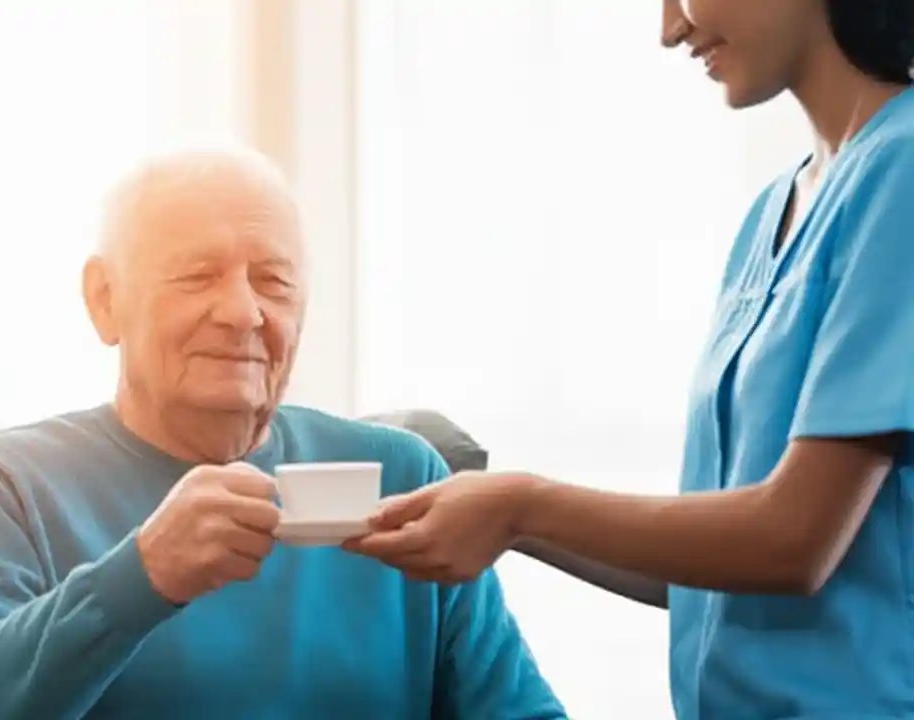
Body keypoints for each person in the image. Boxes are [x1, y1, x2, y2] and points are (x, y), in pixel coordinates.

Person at [348, 1, 914, 718]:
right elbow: (713, 572)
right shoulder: (775, 210)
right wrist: (490, 512)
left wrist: (524, 506)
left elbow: (793, 543)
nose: (670, 28)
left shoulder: (902, 176)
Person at [0, 146, 565, 719]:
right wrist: (140, 578)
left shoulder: (404, 475)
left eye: (273, 282)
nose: (244, 313)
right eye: (198, 276)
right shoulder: (9, 484)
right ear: (106, 299)